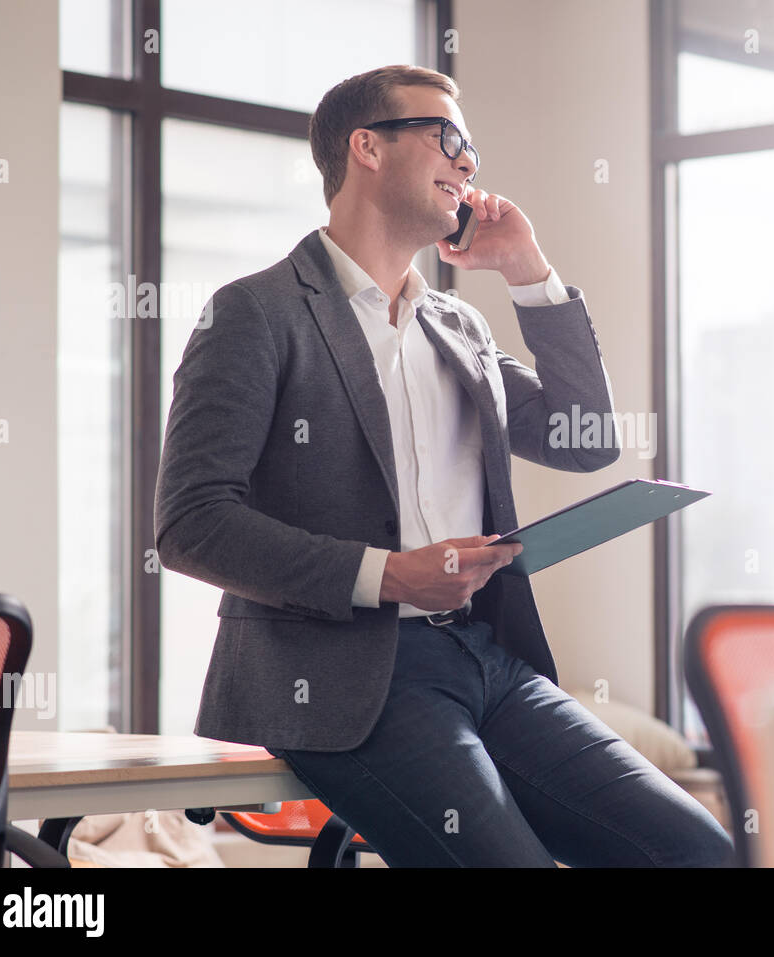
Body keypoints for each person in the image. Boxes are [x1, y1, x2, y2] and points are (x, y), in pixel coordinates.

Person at [153, 65, 734, 867]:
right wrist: (389, 574)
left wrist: (530, 274)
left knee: (698, 851)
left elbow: (585, 437)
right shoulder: (256, 312)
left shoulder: (457, 326)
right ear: (367, 147)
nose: (467, 163)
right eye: (447, 137)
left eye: (472, 149)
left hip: (484, 659)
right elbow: (191, 524)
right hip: (344, 680)